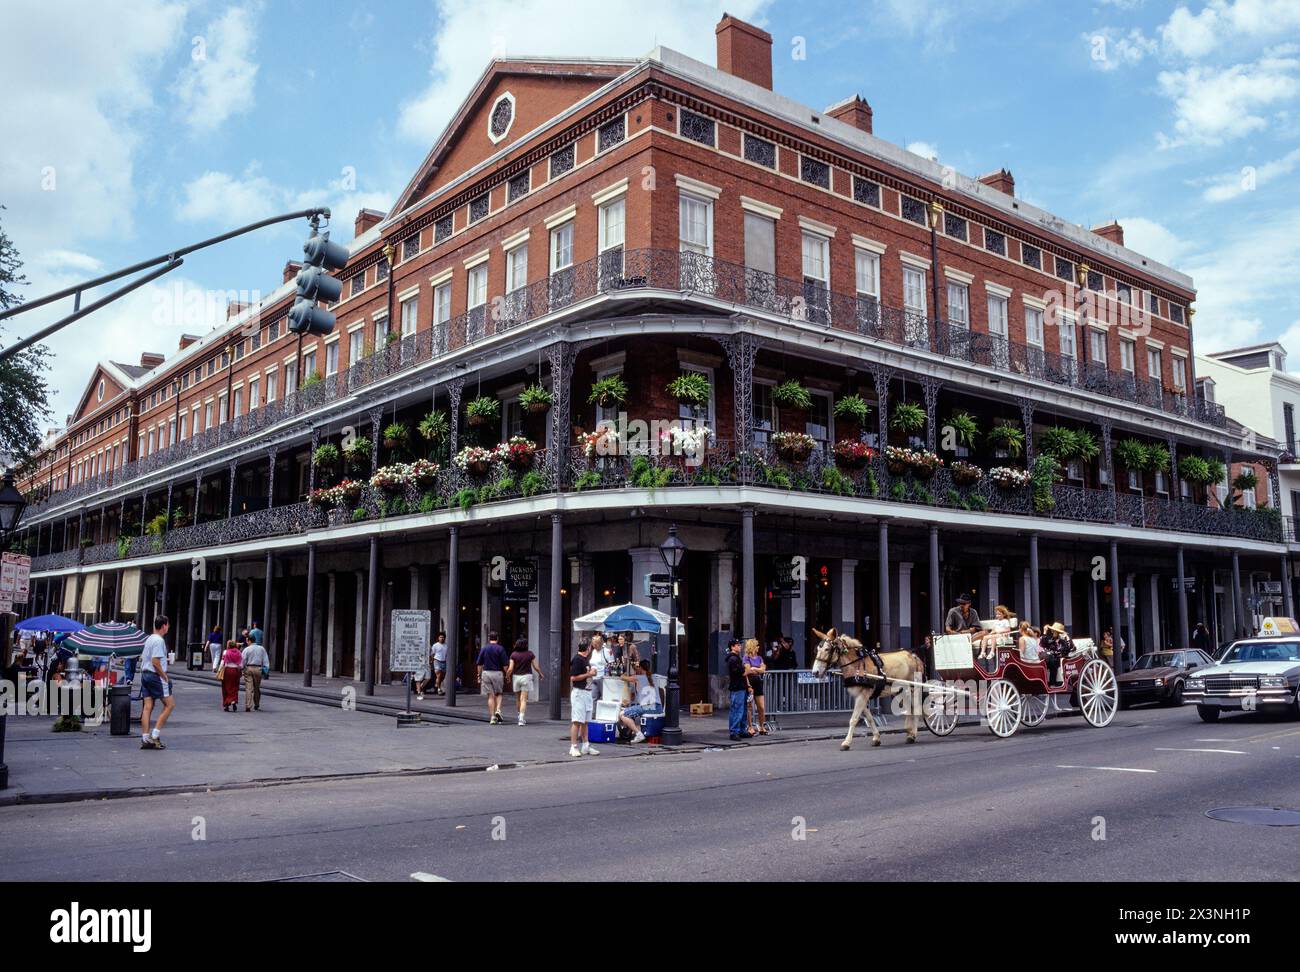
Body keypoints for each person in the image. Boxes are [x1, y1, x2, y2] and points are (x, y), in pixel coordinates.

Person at [139, 616, 175, 750]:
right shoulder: (159, 641)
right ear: (164, 625)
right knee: (170, 704)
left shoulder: (149, 639)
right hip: (155, 676)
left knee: (148, 706)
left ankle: (145, 737)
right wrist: (164, 676)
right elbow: (155, 661)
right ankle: (155, 734)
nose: (168, 627)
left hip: (145, 674)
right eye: (168, 625)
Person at [617, 660, 662, 743]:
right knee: (632, 712)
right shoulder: (654, 677)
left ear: (640, 668)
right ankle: (637, 731)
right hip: (658, 707)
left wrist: (627, 671)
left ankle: (638, 734)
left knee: (622, 714)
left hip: (647, 707)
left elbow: (622, 677)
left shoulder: (637, 678)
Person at [569, 638, 598, 757]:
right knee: (577, 721)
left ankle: (586, 745)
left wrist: (591, 672)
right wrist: (589, 674)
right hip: (579, 692)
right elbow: (573, 678)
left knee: (585, 721)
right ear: (588, 648)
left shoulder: (585, 659)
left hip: (586, 692)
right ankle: (573, 746)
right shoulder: (577, 659)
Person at [505, 637, 542, 725]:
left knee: (518, 699)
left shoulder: (513, 655)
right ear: (526, 645)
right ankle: (521, 719)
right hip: (526, 677)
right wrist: (540, 673)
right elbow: (535, 666)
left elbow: (510, 669)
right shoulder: (530, 654)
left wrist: (507, 676)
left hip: (516, 677)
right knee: (524, 699)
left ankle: (519, 716)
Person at [476, 630, 509, 724]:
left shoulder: (484, 648)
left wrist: (479, 674)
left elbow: (479, 664)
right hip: (498, 673)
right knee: (499, 693)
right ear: (497, 638)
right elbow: (505, 665)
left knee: (490, 696)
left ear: (489, 638)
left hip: (486, 673)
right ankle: (498, 709)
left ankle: (492, 717)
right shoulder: (500, 649)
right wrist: (507, 674)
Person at [743, 637, 767, 735]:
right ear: (752, 646)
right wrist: (757, 669)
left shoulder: (760, 657)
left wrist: (754, 668)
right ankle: (750, 727)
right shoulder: (746, 657)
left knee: (761, 707)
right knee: (749, 706)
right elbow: (748, 670)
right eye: (757, 645)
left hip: (758, 682)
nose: (758, 647)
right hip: (750, 682)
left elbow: (763, 669)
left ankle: (761, 726)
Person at [725, 638, 748, 741]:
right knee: (737, 710)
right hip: (737, 686)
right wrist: (747, 670)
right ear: (732, 647)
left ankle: (741, 730)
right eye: (737, 645)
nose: (740, 646)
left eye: (739, 645)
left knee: (742, 710)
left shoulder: (736, 658)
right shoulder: (733, 659)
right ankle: (734, 731)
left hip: (740, 686)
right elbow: (741, 672)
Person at [241, 636, 269, 711]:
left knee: (249, 688)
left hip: (249, 668)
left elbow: (243, 661)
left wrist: (242, 669)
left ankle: (248, 705)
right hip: (258, 669)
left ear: (249, 641)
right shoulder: (261, 648)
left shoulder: (246, 649)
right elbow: (265, 660)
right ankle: (256, 704)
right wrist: (266, 669)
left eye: (247, 641)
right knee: (257, 687)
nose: (247, 642)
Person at [1040, 622, 1069, 686]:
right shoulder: (1050, 640)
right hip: (1050, 658)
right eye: (1052, 631)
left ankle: (1052, 683)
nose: (1052, 632)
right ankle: (1043, 683)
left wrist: (1067, 638)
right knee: (1043, 662)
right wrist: (1044, 632)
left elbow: (1068, 650)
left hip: (1059, 659)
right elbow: (1042, 644)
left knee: (1053, 661)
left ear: (1058, 632)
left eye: (1054, 631)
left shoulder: (1063, 641)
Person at [218, 639, 243, 712]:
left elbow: (223, 662)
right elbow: (241, 664)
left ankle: (226, 704)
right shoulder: (239, 652)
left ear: (228, 645)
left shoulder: (226, 652)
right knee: (235, 687)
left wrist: (219, 670)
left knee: (226, 687)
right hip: (236, 671)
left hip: (227, 671)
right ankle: (233, 700)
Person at [588, 634, 614, 703]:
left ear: (600, 643)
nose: (595, 646)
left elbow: (612, 663)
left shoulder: (607, 651)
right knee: (593, 698)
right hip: (594, 678)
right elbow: (593, 663)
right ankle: (593, 714)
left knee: (604, 698)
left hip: (603, 678)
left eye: (596, 644)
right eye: (593, 644)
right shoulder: (594, 652)